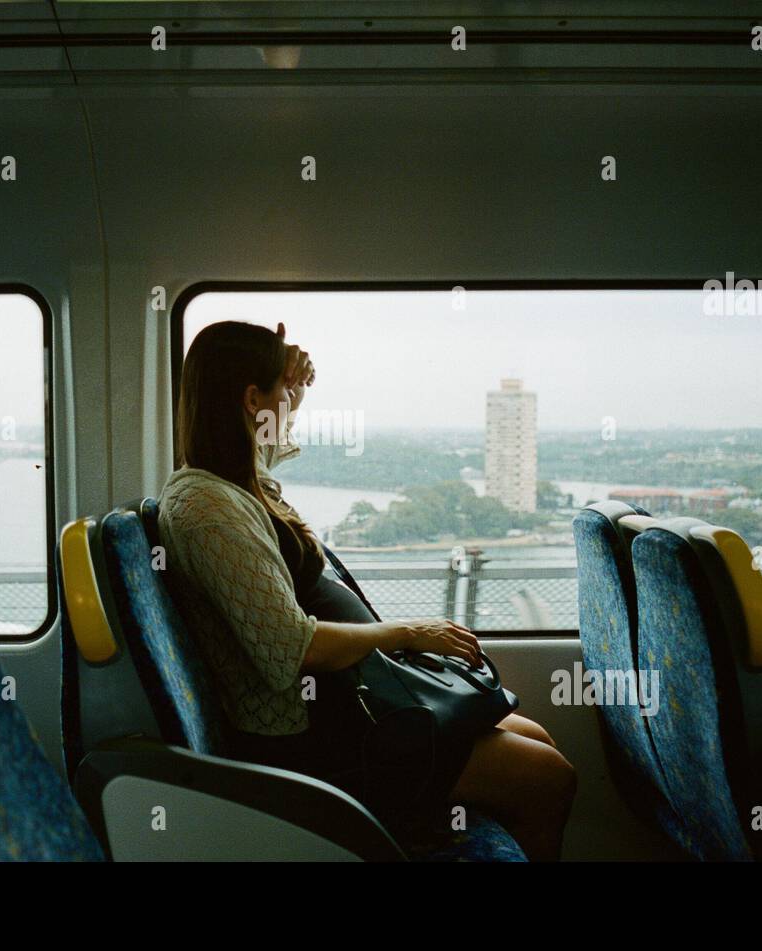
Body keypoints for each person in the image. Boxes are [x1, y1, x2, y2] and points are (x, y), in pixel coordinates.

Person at [157, 320, 576, 859]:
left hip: (354, 701)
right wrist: (408, 633)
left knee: (538, 739)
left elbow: (265, 453)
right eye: (281, 390)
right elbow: (293, 647)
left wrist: (293, 391)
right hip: (321, 740)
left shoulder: (232, 484)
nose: (289, 405)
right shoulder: (207, 509)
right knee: (550, 778)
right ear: (251, 399)